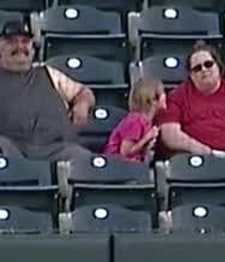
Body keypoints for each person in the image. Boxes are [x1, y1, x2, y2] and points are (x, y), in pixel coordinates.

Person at [0, 17, 95, 162]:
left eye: (25, 42)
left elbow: (84, 92)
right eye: (12, 42)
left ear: (32, 49)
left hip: (56, 149)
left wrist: (82, 104)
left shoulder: (49, 73)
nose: (20, 47)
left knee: (84, 159)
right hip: (12, 151)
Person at [156, 42, 225, 160]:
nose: (204, 70)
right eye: (197, 68)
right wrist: (198, 148)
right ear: (190, 75)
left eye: (208, 64)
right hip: (198, 159)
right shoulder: (177, 97)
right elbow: (169, 134)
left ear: (218, 66)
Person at [105, 77, 165, 161]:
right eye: (163, 93)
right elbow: (125, 152)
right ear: (153, 100)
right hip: (115, 165)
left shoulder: (146, 122)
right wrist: (147, 138)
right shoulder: (135, 121)